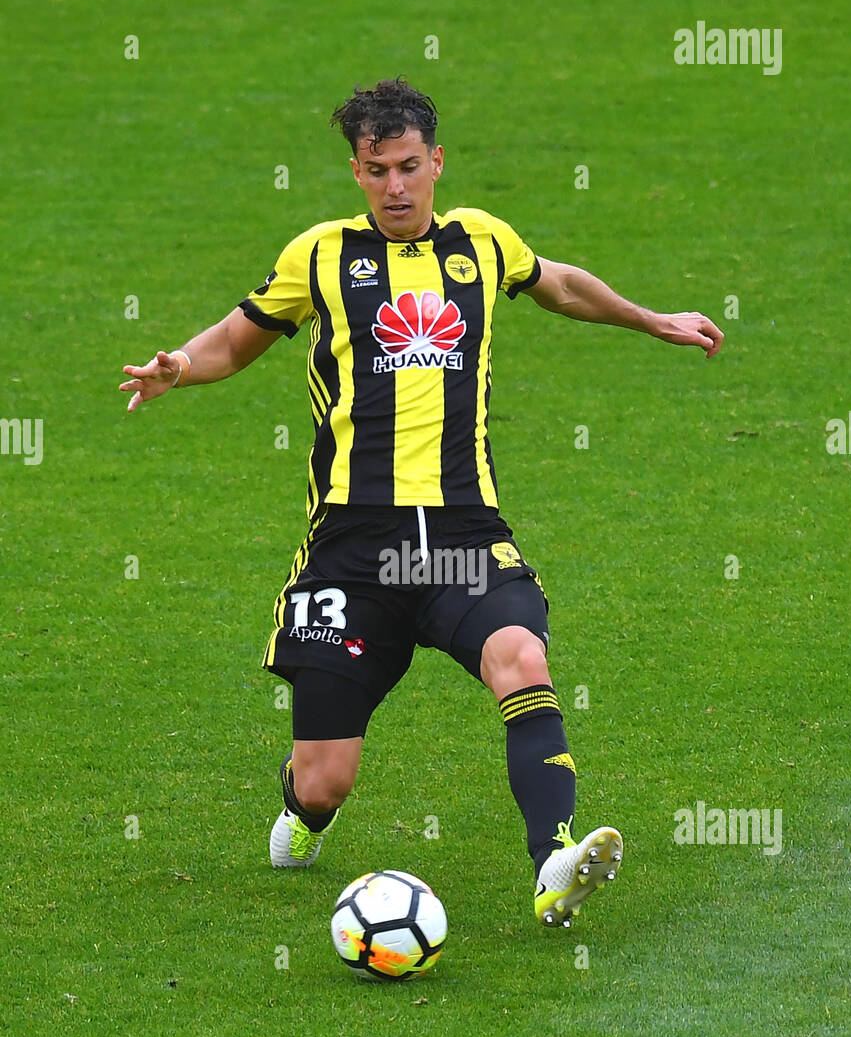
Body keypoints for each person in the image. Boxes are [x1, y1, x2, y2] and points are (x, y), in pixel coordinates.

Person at [120, 78, 723, 929]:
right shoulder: (320, 255)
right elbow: (235, 338)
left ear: (436, 162)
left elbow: (561, 285)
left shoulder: (482, 241)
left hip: (461, 534)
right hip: (352, 546)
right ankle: (303, 810)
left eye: (409, 167)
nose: (396, 187)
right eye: (376, 171)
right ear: (356, 172)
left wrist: (651, 318)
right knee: (328, 777)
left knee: (522, 657)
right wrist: (180, 365)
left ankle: (554, 858)